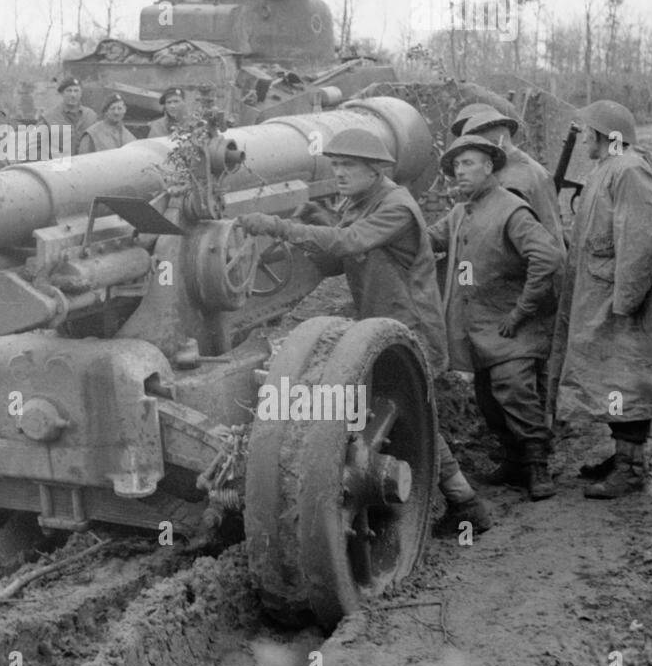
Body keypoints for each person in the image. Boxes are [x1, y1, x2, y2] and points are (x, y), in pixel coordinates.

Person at [229, 127, 492, 535]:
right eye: (335, 165)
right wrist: (315, 224)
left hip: (411, 326)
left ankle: (457, 502)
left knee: (409, 410)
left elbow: (348, 244)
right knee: (407, 412)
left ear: (374, 170)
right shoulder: (361, 202)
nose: (339, 173)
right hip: (382, 323)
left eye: (348, 166)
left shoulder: (396, 206)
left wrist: (280, 228)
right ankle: (458, 499)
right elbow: (339, 260)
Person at [427, 134, 563, 499]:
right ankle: (514, 462)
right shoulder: (460, 212)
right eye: (456, 166)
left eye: (468, 163)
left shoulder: (510, 209)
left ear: (489, 167)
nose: (461, 171)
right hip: (478, 330)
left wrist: (522, 311)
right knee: (488, 400)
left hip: (511, 329)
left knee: (516, 394)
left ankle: (538, 467)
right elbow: (429, 240)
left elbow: (547, 258)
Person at [552, 101, 652, 499]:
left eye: (589, 132)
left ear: (606, 135)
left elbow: (644, 235)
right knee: (611, 381)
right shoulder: (609, 168)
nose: (584, 138)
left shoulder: (630, 170)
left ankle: (631, 469)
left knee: (627, 381)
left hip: (622, 302)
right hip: (602, 294)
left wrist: (626, 300)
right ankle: (623, 457)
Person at [460, 109, 564, 245]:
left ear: (497, 143)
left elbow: (500, 241)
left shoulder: (510, 183)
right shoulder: (531, 167)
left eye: (476, 150)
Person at [37, 76, 96, 159]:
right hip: (59, 167)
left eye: (76, 91)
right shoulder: (48, 118)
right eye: (69, 91)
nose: (73, 95)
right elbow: (35, 148)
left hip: (85, 166)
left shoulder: (91, 116)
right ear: (61, 93)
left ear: (81, 93)